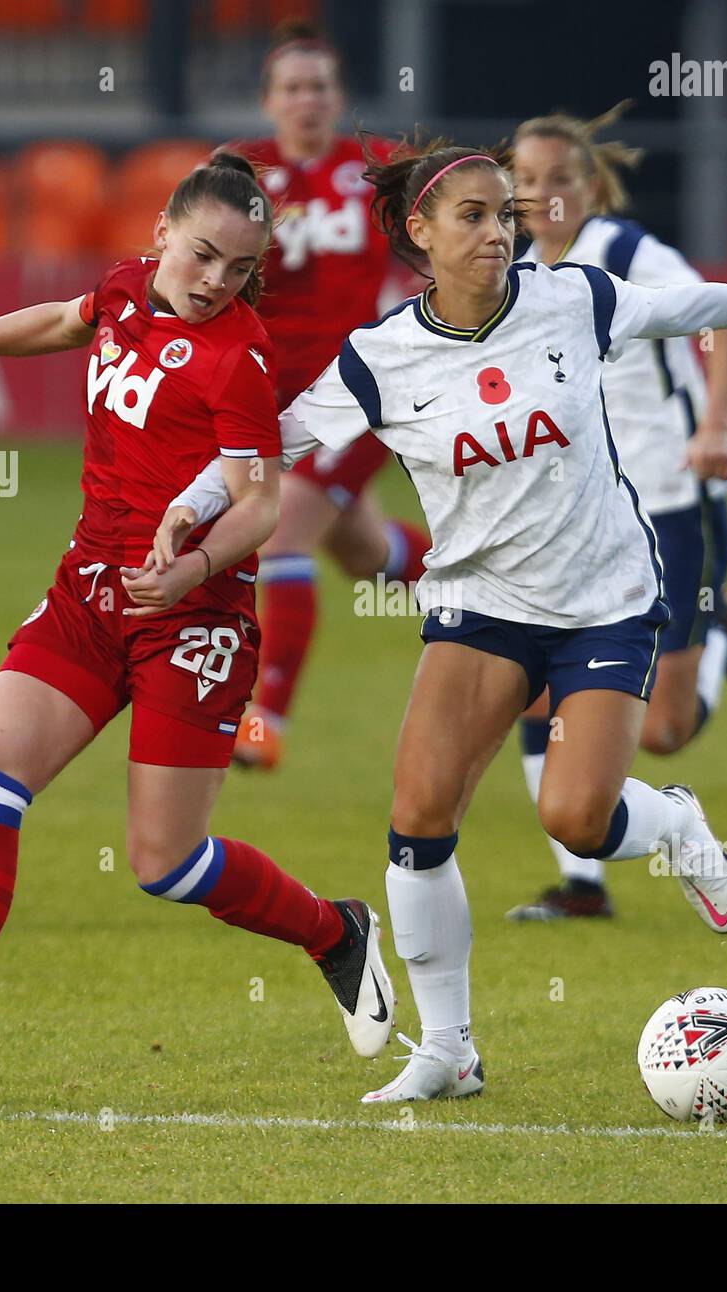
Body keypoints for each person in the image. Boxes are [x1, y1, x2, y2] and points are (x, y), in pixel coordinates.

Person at [152, 141, 727, 1102]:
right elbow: (268, 442)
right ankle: (448, 1051)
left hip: (605, 595)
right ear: (420, 233)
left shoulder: (573, 298)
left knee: (575, 817)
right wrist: (193, 506)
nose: (500, 232)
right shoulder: (381, 358)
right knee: (417, 818)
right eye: (475, 216)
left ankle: (675, 823)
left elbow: (689, 308)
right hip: (481, 605)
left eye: (505, 215)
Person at [0, 153, 394, 1084]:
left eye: (240, 268)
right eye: (205, 255)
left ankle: (336, 930)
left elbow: (259, 503)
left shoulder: (240, 356)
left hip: (196, 620)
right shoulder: (126, 289)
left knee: (165, 864)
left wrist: (195, 571)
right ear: (162, 233)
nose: (218, 281)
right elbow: (65, 319)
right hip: (89, 593)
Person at [505, 105, 727, 922]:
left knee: (662, 734)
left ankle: (714, 630)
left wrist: (716, 426)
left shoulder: (626, 252)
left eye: (559, 179)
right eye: (525, 180)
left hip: (668, 502)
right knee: (533, 688)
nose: (542, 195)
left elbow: (725, 319)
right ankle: (582, 884)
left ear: (592, 186)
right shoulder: (508, 267)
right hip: (576, 516)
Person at [229, 20, 431, 770]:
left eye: (320, 87)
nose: (308, 100)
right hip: (264, 398)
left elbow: (438, 247)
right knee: (362, 551)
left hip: (358, 391)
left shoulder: (380, 167)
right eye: (293, 88)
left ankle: (265, 720)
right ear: (269, 101)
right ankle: (493, 598)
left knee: (279, 536)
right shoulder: (239, 173)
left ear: (339, 96)